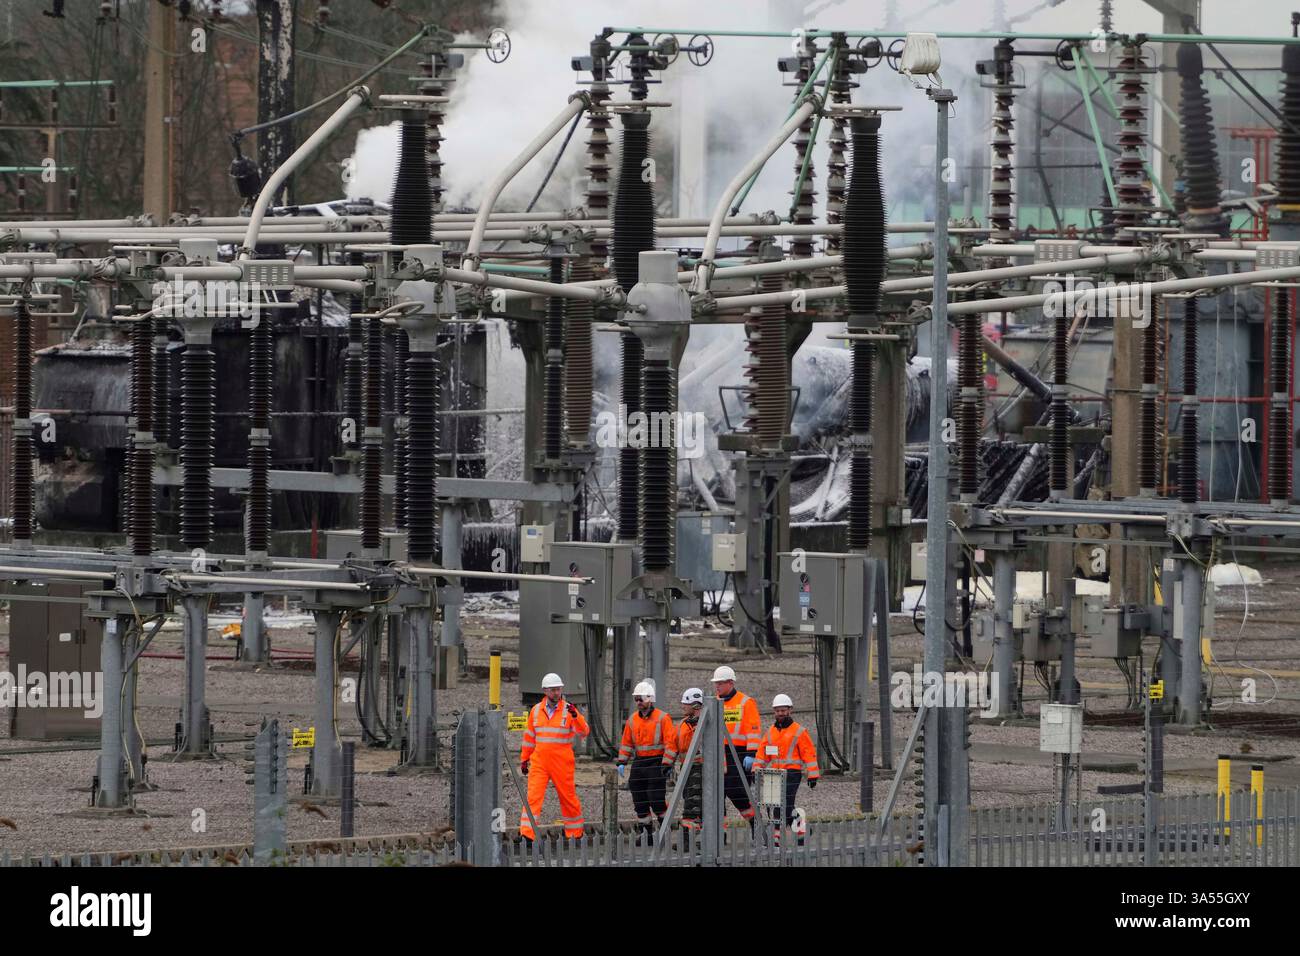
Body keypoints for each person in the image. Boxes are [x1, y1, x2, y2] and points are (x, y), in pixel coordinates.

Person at [519, 672, 589, 841]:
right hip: (539, 762)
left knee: (568, 798)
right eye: (553, 690)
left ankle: (575, 834)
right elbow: (529, 738)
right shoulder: (536, 711)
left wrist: (576, 716)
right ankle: (527, 835)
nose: (556, 693)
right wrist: (524, 759)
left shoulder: (569, 711)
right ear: (545, 691)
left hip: (562, 763)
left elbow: (584, 731)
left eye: (558, 689)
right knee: (532, 798)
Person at [752, 693, 820, 838]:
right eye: (777, 711)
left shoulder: (799, 731)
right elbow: (762, 754)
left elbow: (809, 753)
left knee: (784, 804)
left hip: (792, 774)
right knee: (781, 805)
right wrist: (755, 769)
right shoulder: (771, 732)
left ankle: (776, 839)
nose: (780, 713)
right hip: (774, 775)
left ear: (790, 710)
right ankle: (802, 830)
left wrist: (813, 774)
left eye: (783, 710)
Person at [616, 680, 676, 835]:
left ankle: (665, 830)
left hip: (657, 762)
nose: (638, 702)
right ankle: (646, 833)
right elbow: (626, 743)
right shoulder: (632, 719)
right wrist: (622, 761)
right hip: (639, 762)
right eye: (636, 699)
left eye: (640, 698)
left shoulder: (663, 718)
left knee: (656, 799)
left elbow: (670, 742)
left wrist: (667, 764)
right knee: (639, 799)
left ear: (650, 698)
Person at [711, 665, 760, 828]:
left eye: (720, 683)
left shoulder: (745, 702)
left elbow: (753, 729)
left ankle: (755, 822)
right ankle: (720, 833)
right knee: (718, 794)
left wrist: (752, 753)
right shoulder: (714, 702)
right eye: (715, 683)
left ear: (730, 683)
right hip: (718, 753)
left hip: (739, 754)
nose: (717, 686)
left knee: (737, 792)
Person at [666, 687, 705, 833]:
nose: (682, 706)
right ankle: (697, 834)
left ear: (695, 705)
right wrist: (667, 764)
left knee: (693, 803)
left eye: (685, 704)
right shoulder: (682, 725)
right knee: (689, 799)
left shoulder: (706, 724)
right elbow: (672, 745)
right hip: (686, 769)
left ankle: (688, 837)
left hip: (702, 769)